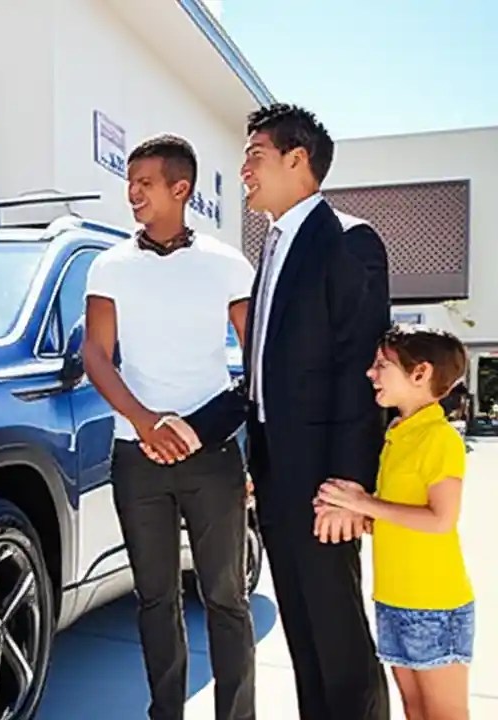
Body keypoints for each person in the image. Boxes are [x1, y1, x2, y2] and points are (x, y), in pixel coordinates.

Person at [84, 134, 257, 720]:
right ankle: (166, 713)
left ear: (180, 189)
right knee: (155, 599)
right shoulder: (109, 264)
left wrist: (224, 438)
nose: (132, 193)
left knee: (226, 599)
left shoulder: (228, 263)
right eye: (130, 183)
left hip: (211, 458)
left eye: (145, 183)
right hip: (137, 457)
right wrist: (144, 422)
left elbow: (260, 356)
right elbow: (96, 355)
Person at [239, 102, 391, 719]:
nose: (244, 171)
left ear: (296, 160)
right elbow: (264, 375)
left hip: (326, 483)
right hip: (278, 477)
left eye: (254, 156)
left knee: (340, 640)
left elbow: (359, 375)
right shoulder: (272, 247)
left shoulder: (348, 241)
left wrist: (349, 487)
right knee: (303, 637)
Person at [316, 326, 473, 720]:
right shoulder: (397, 433)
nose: (371, 373)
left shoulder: (440, 438)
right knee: (414, 709)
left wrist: (365, 502)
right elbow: (399, 514)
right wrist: (359, 513)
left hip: (435, 604)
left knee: (444, 714)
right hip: (393, 600)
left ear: (419, 374)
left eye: (382, 365)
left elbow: (441, 519)